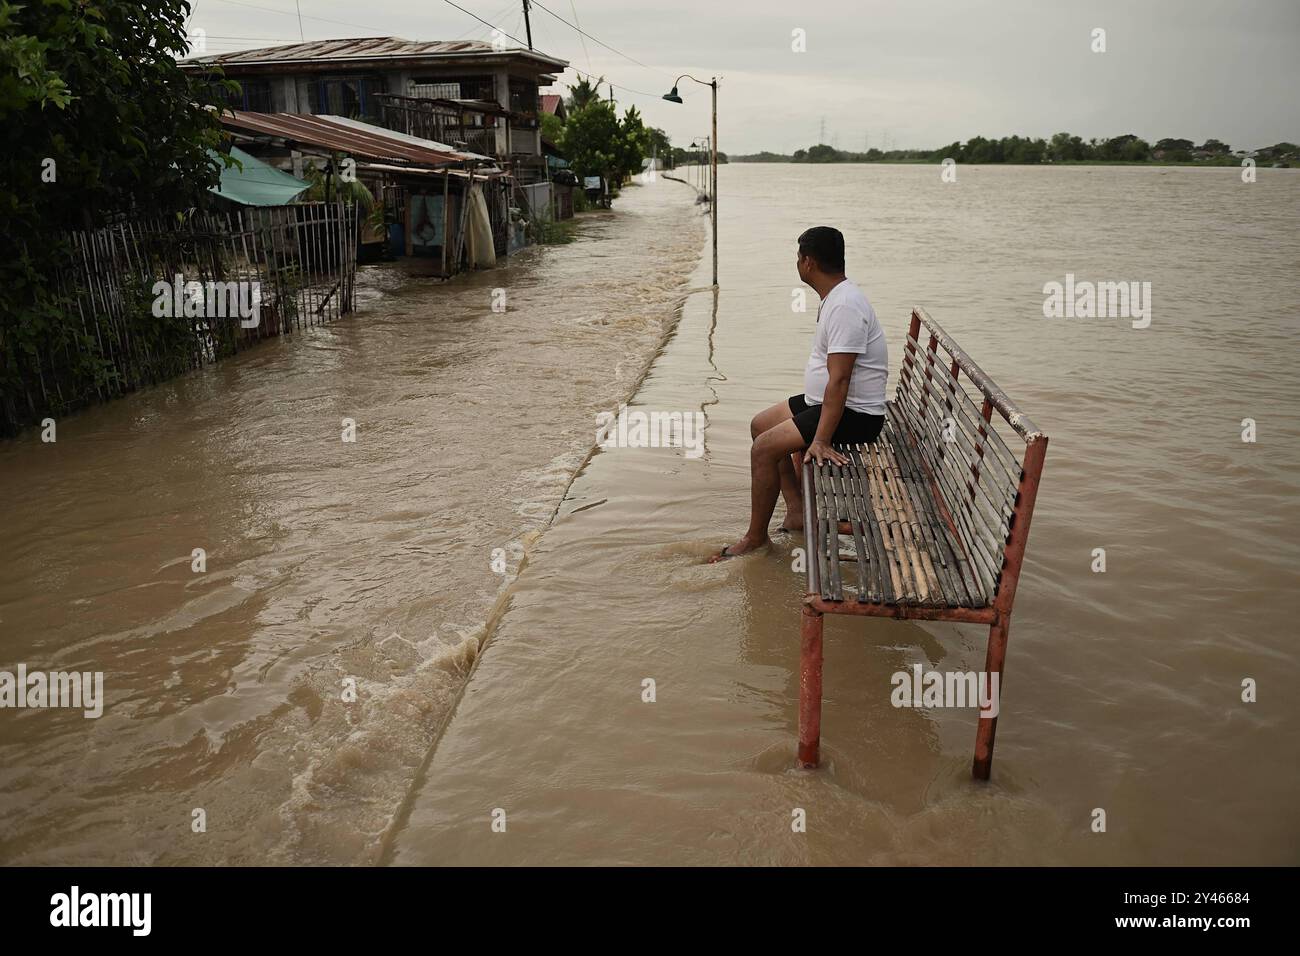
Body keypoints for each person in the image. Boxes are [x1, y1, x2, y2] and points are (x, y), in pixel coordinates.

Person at [710, 226, 888, 561]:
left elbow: (840, 381)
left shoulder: (846, 306)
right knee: (760, 425)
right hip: (826, 403)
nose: (797, 262)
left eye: (798, 256)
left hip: (857, 415)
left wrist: (820, 439)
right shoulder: (836, 297)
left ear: (807, 262)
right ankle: (796, 513)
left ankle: (755, 540)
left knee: (763, 450)